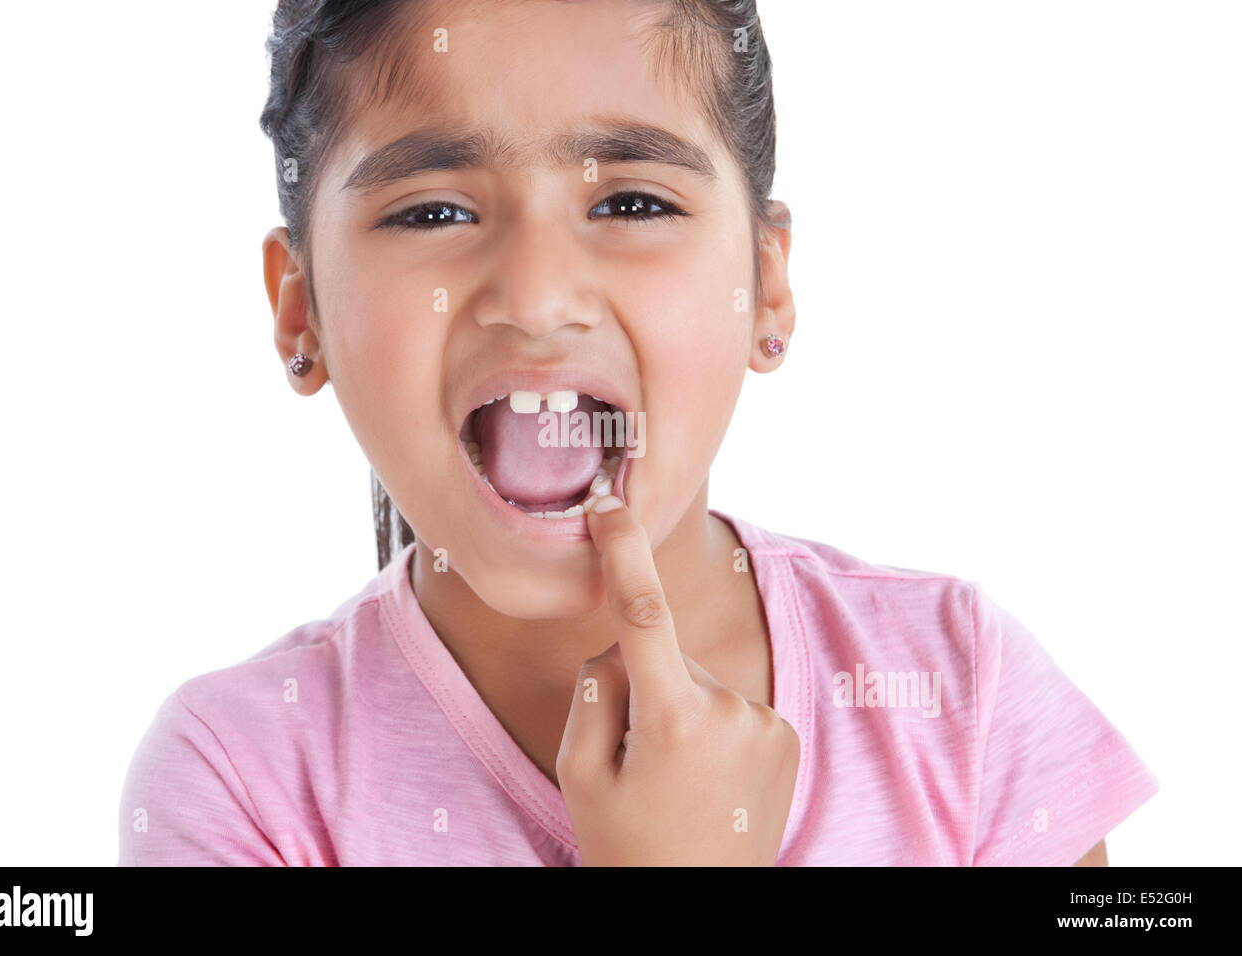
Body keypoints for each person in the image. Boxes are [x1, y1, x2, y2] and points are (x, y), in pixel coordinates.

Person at [118, 0, 1157, 866]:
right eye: (432, 213)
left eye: (630, 200)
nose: (535, 297)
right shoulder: (235, 779)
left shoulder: (963, 696)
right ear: (301, 314)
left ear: (766, 286)